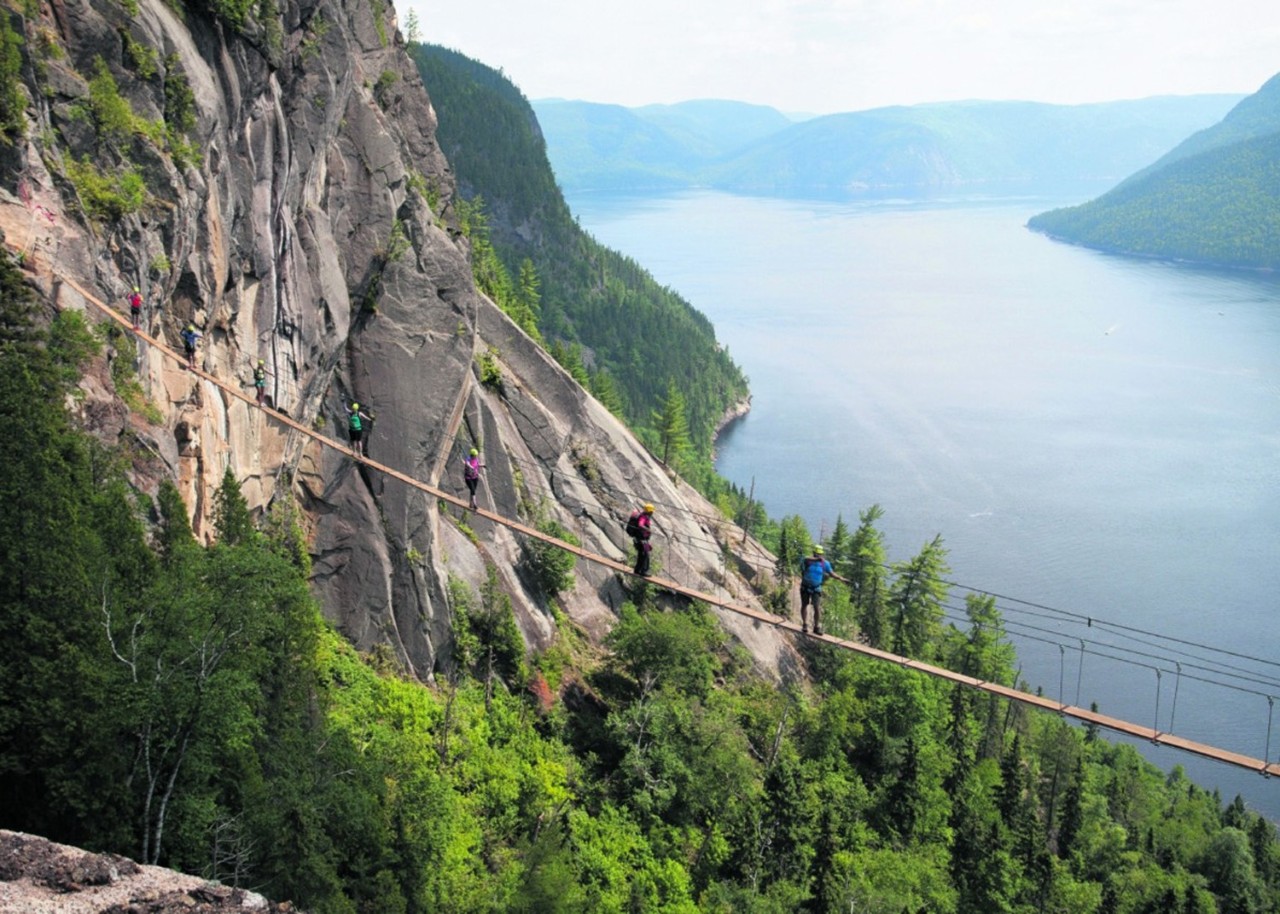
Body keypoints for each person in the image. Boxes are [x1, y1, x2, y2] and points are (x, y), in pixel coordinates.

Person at [800, 544, 846, 635]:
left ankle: (816, 627)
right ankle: (805, 624)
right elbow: (804, 558)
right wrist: (816, 559)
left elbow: (831, 573)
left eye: (820, 554)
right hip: (805, 586)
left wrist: (840, 578)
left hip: (816, 588)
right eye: (817, 554)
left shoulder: (825, 564)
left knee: (817, 607)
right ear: (814, 553)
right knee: (804, 604)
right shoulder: (808, 561)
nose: (818, 555)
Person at [628, 503, 655, 577]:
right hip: (642, 539)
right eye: (652, 511)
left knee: (641, 554)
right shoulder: (643, 517)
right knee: (645, 555)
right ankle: (643, 571)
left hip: (640, 539)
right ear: (649, 511)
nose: (653, 513)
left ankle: (637, 570)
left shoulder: (643, 515)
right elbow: (640, 525)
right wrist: (648, 530)